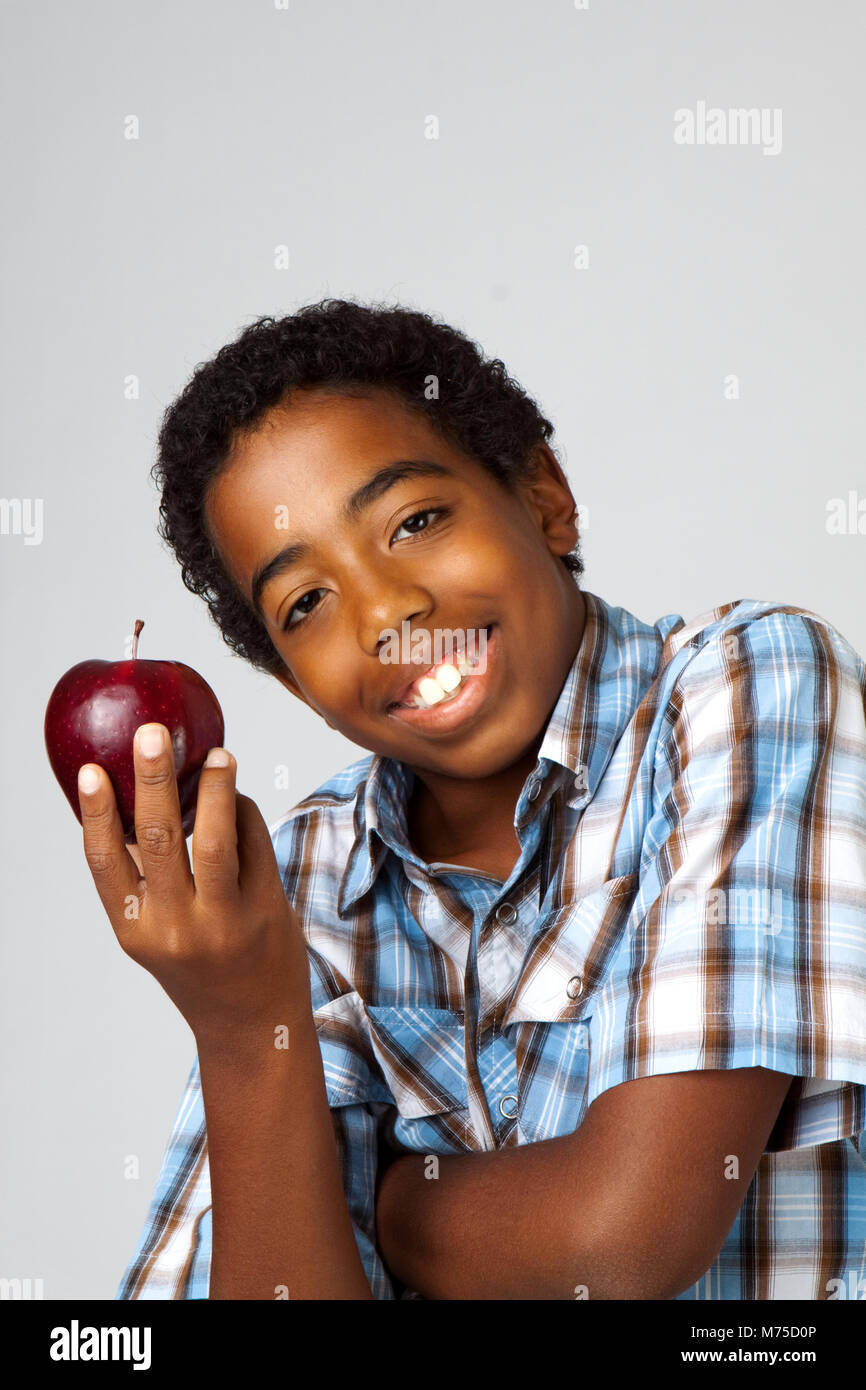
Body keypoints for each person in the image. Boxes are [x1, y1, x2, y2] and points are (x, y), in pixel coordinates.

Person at [79, 298, 865, 1299]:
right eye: (306, 604)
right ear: (291, 683)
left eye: (414, 521)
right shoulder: (304, 879)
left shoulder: (746, 684)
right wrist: (245, 1033)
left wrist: (386, 1207)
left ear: (542, 497)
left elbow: (620, 1245)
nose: (386, 613)